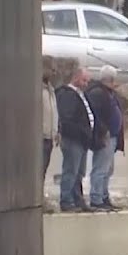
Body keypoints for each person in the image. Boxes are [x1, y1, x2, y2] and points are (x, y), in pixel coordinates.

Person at [55, 67, 94, 212]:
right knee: (70, 170)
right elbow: (67, 118)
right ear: (76, 78)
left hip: (82, 140)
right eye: (84, 80)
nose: (86, 84)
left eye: (87, 81)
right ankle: (66, 201)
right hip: (73, 139)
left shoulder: (80, 94)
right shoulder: (67, 95)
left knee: (79, 172)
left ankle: (77, 199)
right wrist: (80, 131)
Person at [86, 66, 124, 211]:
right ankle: (96, 199)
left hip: (113, 137)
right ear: (111, 79)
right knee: (100, 169)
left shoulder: (110, 93)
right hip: (104, 137)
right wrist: (104, 131)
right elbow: (95, 115)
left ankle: (104, 196)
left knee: (108, 169)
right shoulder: (98, 93)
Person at [41, 62, 58, 191]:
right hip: (40, 137)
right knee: (38, 170)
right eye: (51, 70)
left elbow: (54, 112)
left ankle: (40, 196)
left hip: (49, 136)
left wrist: (57, 131)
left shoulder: (50, 89)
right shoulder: (38, 89)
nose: (54, 73)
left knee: (44, 169)